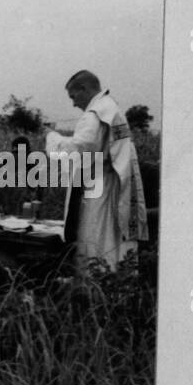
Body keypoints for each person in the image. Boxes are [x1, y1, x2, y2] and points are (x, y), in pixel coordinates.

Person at [45, 71, 148, 272]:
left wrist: (52, 138)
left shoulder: (95, 113)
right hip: (117, 185)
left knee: (96, 241)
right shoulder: (110, 108)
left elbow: (80, 149)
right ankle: (118, 287)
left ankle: (96, 290)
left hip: (101, 189)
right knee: (114, 243)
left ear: (84, 89)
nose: (74, 104)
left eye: (73, 97)